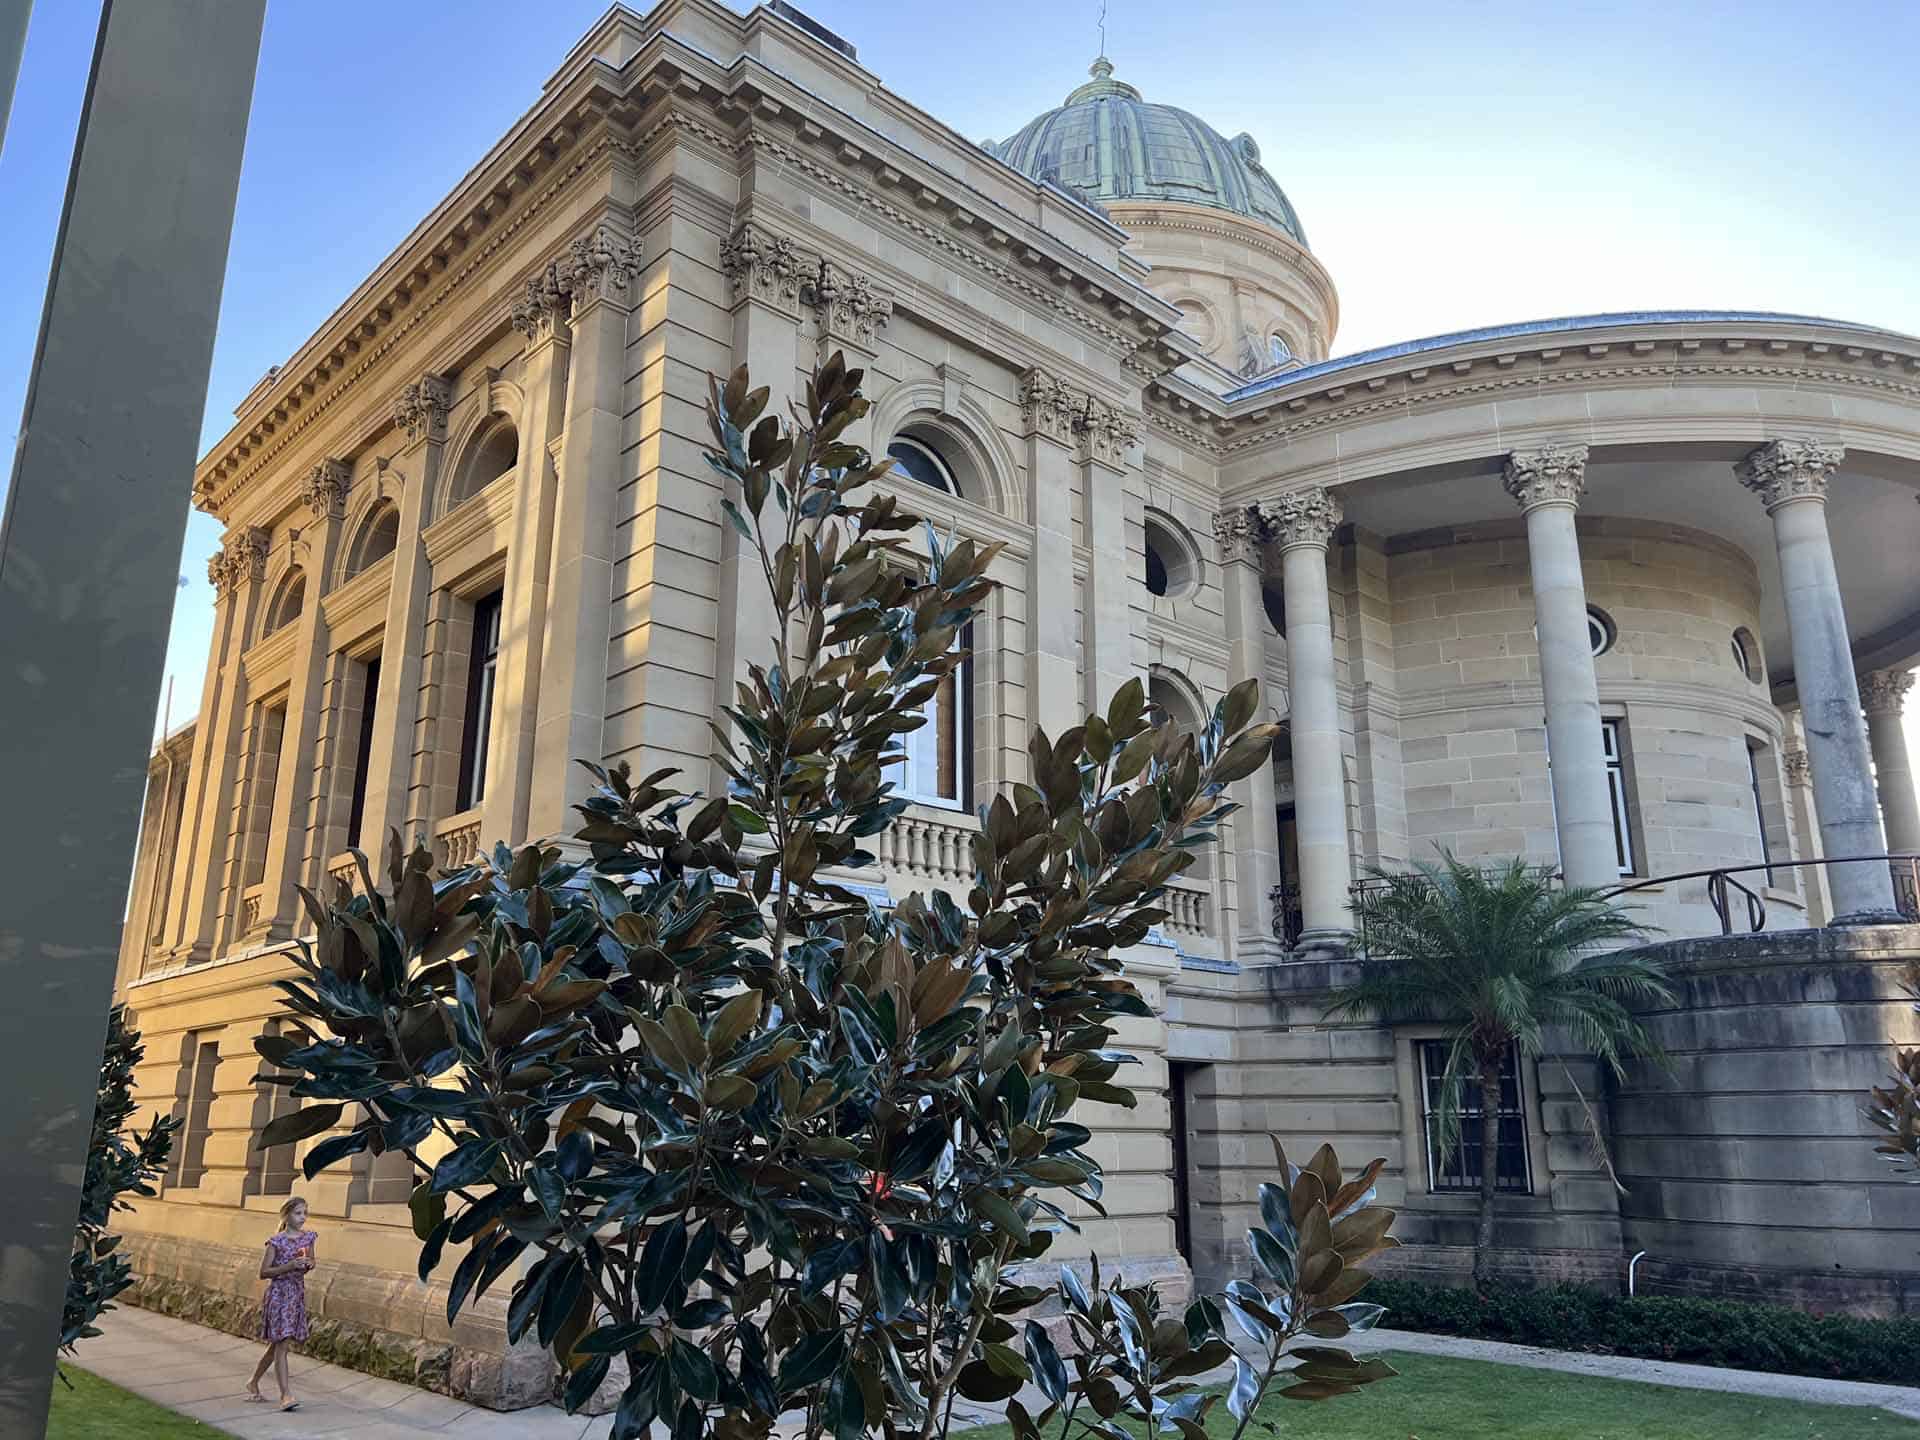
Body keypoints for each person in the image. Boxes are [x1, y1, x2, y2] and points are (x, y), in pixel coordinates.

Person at [246, 1196, 315, 1411]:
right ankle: (286, 1395)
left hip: (296, 1295)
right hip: (279, 1295)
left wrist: (307, 1265)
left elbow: (312, 1261)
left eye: (304, 1213)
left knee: (278, 1345)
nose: (302, 1217)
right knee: (283, 1343)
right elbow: (264, 1272)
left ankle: (253, 1382)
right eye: (297, 1213)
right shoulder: (276, 1241)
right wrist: (289, 1266)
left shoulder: (309, 1238)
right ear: (286, 1215)